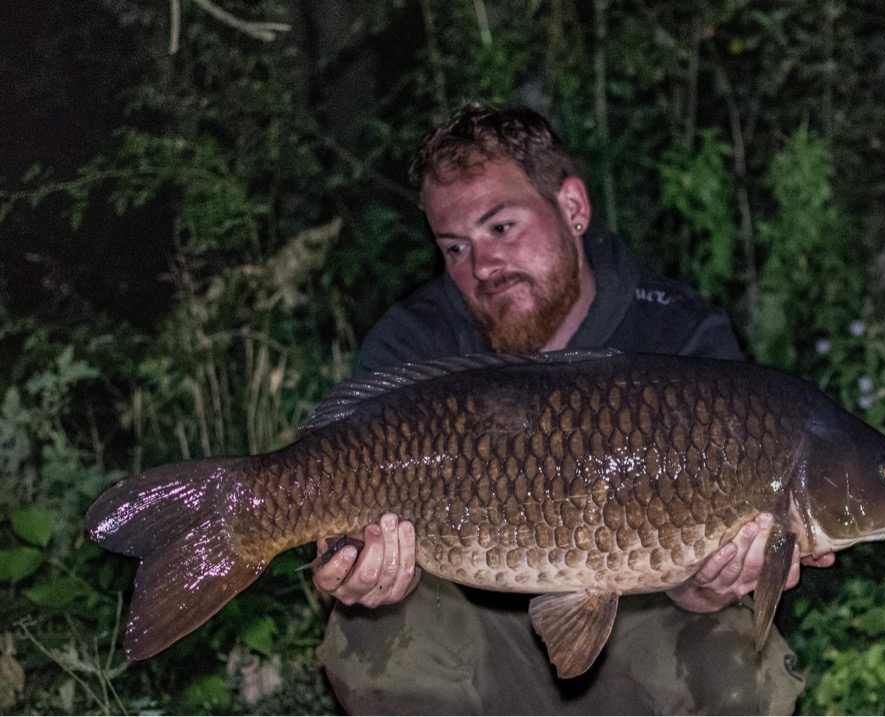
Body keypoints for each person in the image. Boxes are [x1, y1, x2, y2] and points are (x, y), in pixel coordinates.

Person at [313, 104, 834, 714]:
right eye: (455, 247)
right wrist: (352, 572)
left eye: (501, 228)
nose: (481, 268)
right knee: (369, 638)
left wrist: (705, 588)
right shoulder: (414, 343)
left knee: (746, 670)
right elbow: (335, 520)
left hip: (638, 626)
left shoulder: (681, 337)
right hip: (464, 618)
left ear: (574, 208)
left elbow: (701, 591)